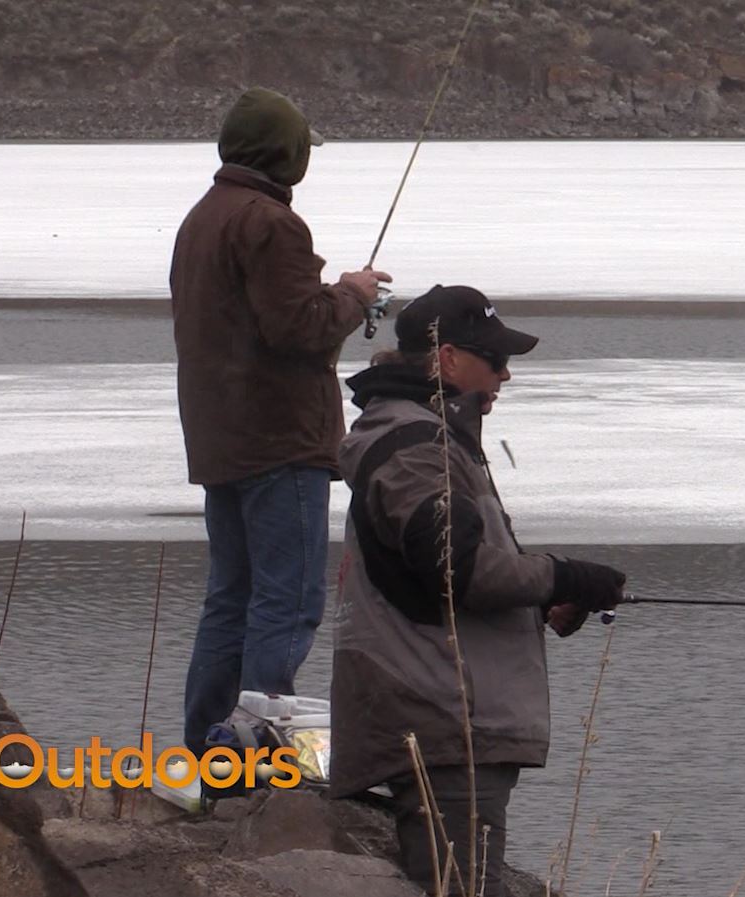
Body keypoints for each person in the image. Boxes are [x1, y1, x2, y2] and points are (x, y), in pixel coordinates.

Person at [328, 285, 626, 894]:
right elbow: (457, 571)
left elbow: (431, 581)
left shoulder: (434, 438)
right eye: (495, 360)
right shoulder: (418, 449)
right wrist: (565, 575)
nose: (506, 375)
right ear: (448, 360)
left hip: (447, 715)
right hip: (443, 721)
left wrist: (538, 601)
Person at [169, 86, 390, 764]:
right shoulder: (271, 224)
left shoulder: (202, 217)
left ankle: (209, 752)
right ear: (286, 154)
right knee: (286, 601)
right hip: (277, 442)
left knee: (229, 599)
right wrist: (352, 294)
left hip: (221, 439)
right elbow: (299, 328)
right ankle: (259, 751)